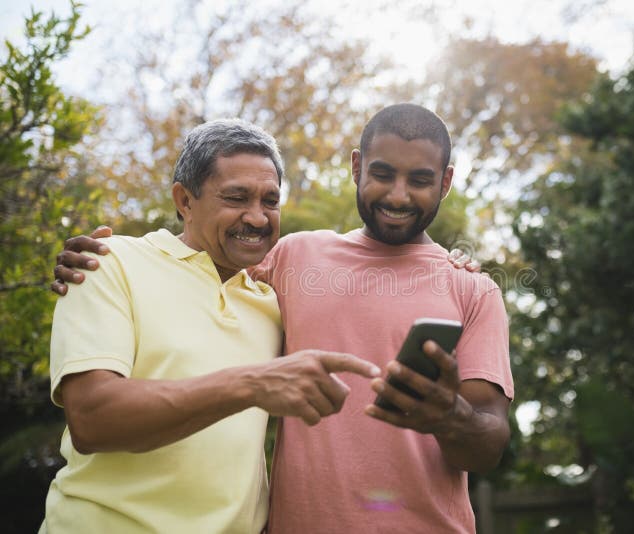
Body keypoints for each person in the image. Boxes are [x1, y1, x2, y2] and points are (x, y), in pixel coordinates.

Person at [52, 104, 513, 533]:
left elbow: (489, 444)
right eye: (382, 173)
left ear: (445, 181)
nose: (398, 194)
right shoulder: (291, 256)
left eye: (420, 179)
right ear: (356, 168)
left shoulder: (471, 288)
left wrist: (449, 415)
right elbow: (194, 259)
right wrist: (96, 258)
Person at [40, 119, 380, 534]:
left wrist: (455, 265)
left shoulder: (273, 301)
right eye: (236, 198)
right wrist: (250, 384)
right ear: (184, 200)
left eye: (270, 201)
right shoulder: (108, 263)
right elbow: (93, 420)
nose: (257, 218)